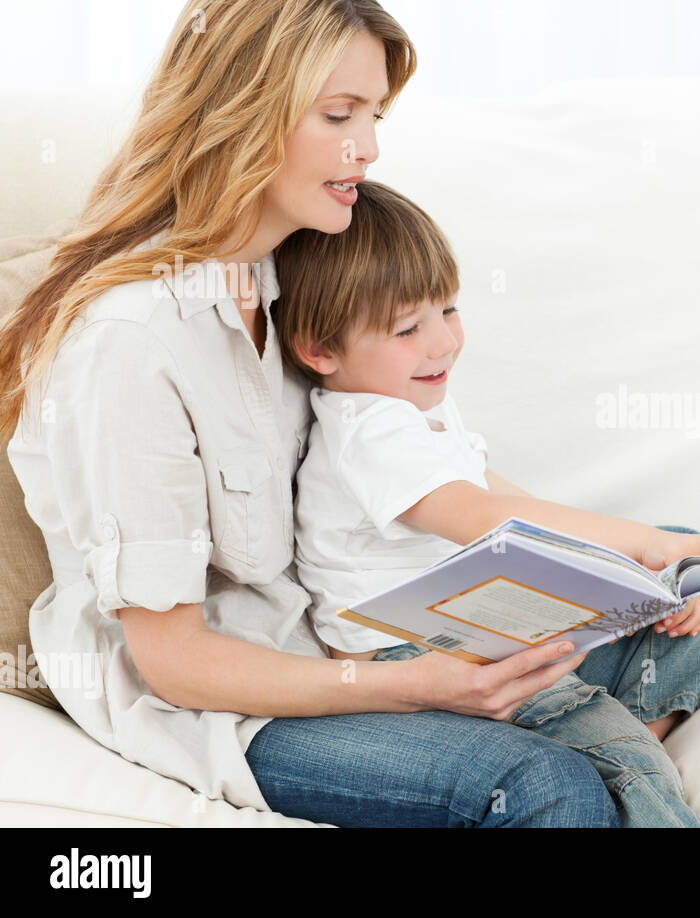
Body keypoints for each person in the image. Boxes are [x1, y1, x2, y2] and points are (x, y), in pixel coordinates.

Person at [1, 0, 621, 827]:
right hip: (230, 709)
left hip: (345, 637)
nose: (368, 148)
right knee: (545, 785)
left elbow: (420, 456)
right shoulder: (130, 344)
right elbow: (176, 664)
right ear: (243, 114)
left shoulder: (297, 278)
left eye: (373, 115)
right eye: (339, 115)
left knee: (679, 602)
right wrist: (415, 686)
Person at [271, 179, 700, 827]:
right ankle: (621, 750)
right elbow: (478, 517)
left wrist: (634, 561)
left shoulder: (411, 402)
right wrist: (643, 545)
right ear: (320, 350)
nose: (441, 342)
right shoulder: (371, 431)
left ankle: (616, 728)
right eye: (409, 328)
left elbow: (499, 492)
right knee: (628, 741)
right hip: (416, 652)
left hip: (477, 617)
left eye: (448, 309)